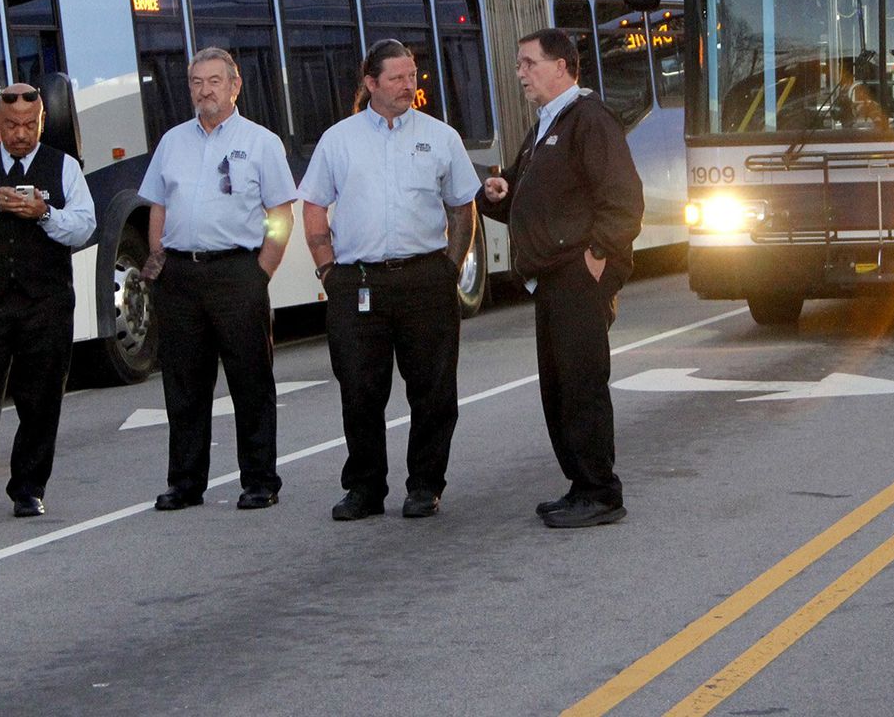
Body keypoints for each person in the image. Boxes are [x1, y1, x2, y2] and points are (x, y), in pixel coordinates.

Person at [299, 40, 480, 521]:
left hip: (426, 280)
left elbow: (462, 204)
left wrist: (451, 266)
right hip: (358, 284)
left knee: (433, 392)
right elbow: (314, 204)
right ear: (370, 82)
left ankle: (425, 485)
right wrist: (327, 268)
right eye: (397, 78)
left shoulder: (441, 137)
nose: (408, 85)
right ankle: (364, 488)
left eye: (412, 76)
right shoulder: (339, 140)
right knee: (360, 391)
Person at [477, 29, 642, 529]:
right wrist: (500, 192)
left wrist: (598, 255)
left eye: (529, 63)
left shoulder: (589, 119)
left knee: (581, 384)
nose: (521, 73)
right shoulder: (548, 124)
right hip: (550, 276)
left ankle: (600, 492)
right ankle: (580, 485)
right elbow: (538, 195)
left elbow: (623, 199)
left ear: (562, 66)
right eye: (519, 64)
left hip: (577, 274)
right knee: (559, 387)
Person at [140, 48, 296, 512]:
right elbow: (158, 205)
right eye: (196, 82)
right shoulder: (172, 142)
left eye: (213, 81)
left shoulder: (261, 142)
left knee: (251, 381)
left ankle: (260, 481)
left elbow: (280, 214)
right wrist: (158, 257)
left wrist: (261, 272)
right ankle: (185, 483)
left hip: (237, 273)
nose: (204, 90)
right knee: (183, 385)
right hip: (179, 277)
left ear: (235, 85)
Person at [0, 83, 96, 524]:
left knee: (41, 397)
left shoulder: (64, 166)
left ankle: (29, 489)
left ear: (42, 121)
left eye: (29, 124)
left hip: (46, 301)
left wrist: (44, 213)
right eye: (11, 125)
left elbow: (84, 226)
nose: (21, 134)